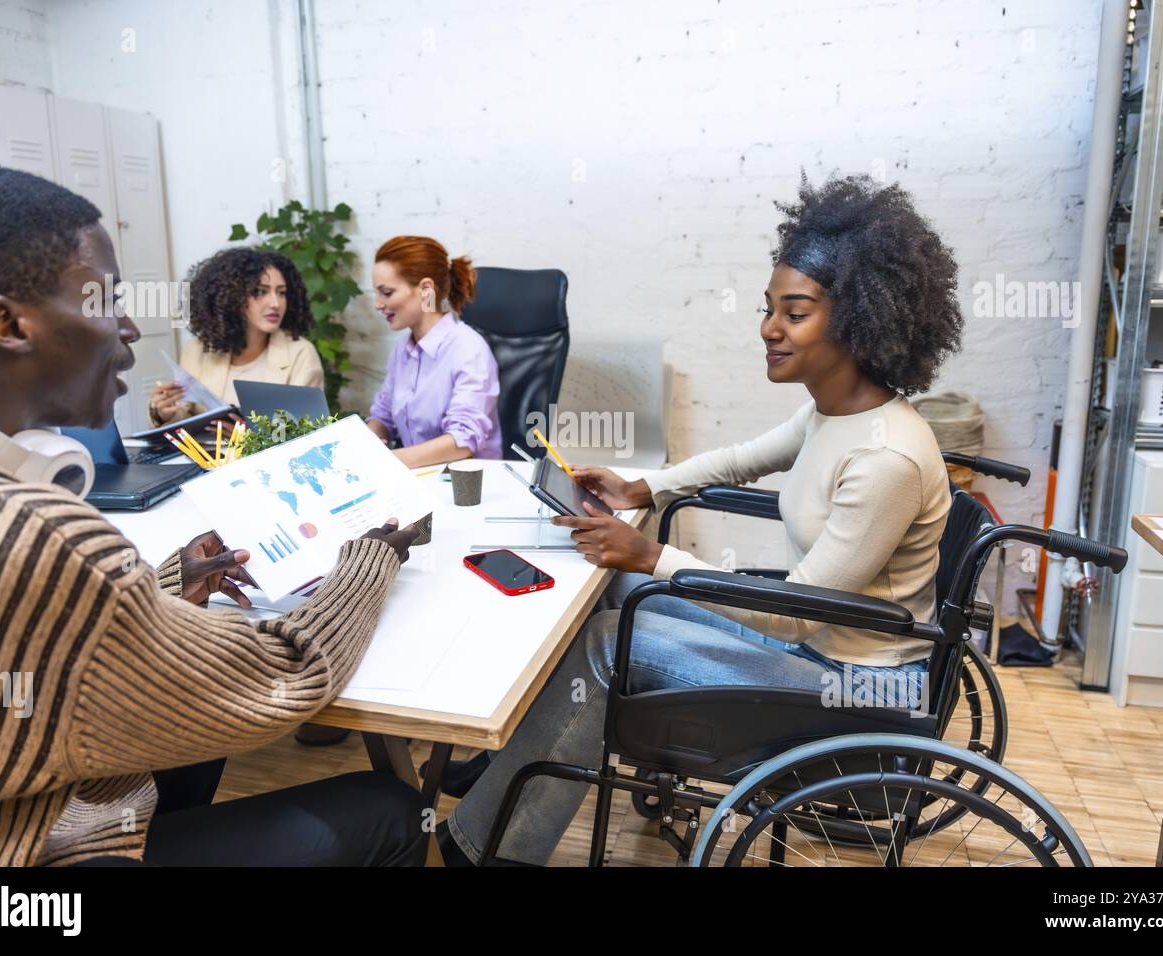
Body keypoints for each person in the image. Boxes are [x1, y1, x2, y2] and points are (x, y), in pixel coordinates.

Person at [437, 174, 966, 866]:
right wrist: (640, 486)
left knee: (606, 640)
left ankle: (486, 847)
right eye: (768, 308)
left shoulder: (886, 457)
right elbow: (742, 459)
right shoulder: (837, 413)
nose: (768, 329)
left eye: (794, 313)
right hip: (819, 655)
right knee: (617, 594)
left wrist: (650, 555)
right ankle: (506, 772)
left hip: (856, 687)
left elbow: (793, 616)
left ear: (859, 319)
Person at [0, 164, 424, 866]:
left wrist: (156, 590)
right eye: (106, 301)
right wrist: (368, 560)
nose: (127, 326)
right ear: (7, 323)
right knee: (391, 809)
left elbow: (11, 637)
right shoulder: (34, 530)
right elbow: (282, 675)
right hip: (22, 867)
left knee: (184, 753)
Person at [148, 247, 325, 425]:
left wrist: (247, 439)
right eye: (260, 292)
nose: (275, 303)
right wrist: (164, 413)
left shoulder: (301, 353)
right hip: (202, 453)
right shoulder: (197, 350)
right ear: (231, 296)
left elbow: (306, 432)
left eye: (282, 293)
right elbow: (185, 416)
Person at [366, 236, 503, 467]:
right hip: (419, 478)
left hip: (468, 488)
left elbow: (462, 441)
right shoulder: (401, 351)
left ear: (426, 290)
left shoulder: (468, 349)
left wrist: (384, 462)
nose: (377, 304)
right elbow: (382, 416)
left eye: (387, 293)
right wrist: (364, 445)